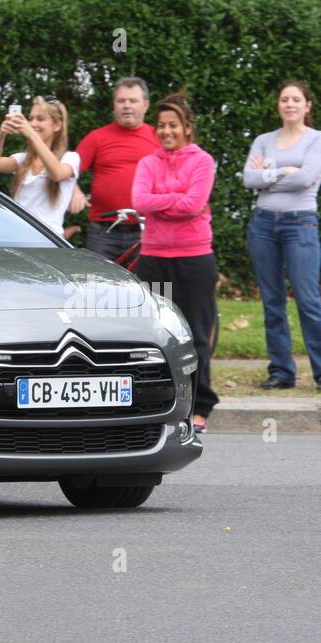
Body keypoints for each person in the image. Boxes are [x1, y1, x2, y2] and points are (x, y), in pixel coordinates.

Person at [131, 95, 219, 433]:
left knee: (196, 335)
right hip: (154, 258)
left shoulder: (203, 161)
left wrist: (161, 204)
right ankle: (159, 401)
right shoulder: (148, 163)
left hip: (194, 258)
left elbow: (194, 203)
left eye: (173, 125)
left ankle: (200, 406)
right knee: (154, 334)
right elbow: (140, 201)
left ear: (187, 128)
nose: (166, 131)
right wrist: (176, 202)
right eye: (162, 125)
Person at [242, 80, 321, 390]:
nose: (290, 104)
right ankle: (282, 372)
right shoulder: (264, 140)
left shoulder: (316, 140)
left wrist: (269, 177)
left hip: (299, 224)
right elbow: (249, 179)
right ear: (278, 105)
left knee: (308, 300)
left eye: (296, 99)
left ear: (307, 106)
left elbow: (306, 178)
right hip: (262, 226)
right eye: (284, 99)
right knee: (272, 301)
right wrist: (284, 172)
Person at [77, 77, 160, 260]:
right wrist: (75, 191)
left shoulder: (159, 138)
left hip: (147, 229)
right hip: (103, 231)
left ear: (146, 105)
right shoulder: (96, 137)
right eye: (121, 101)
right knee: (98, 286)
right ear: (114, 106)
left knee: (146, 286)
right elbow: (67, 172)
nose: (127, 106)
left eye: (133, 101)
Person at [0, 96, 79, 236]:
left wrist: (31, 134)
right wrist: (1, 134)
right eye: (31, 118)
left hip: (47, 240)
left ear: (57, 125)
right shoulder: (23, 159)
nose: (33, 123)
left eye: (40, 119)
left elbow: (57, 174)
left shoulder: (70, 158)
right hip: (16, 235)